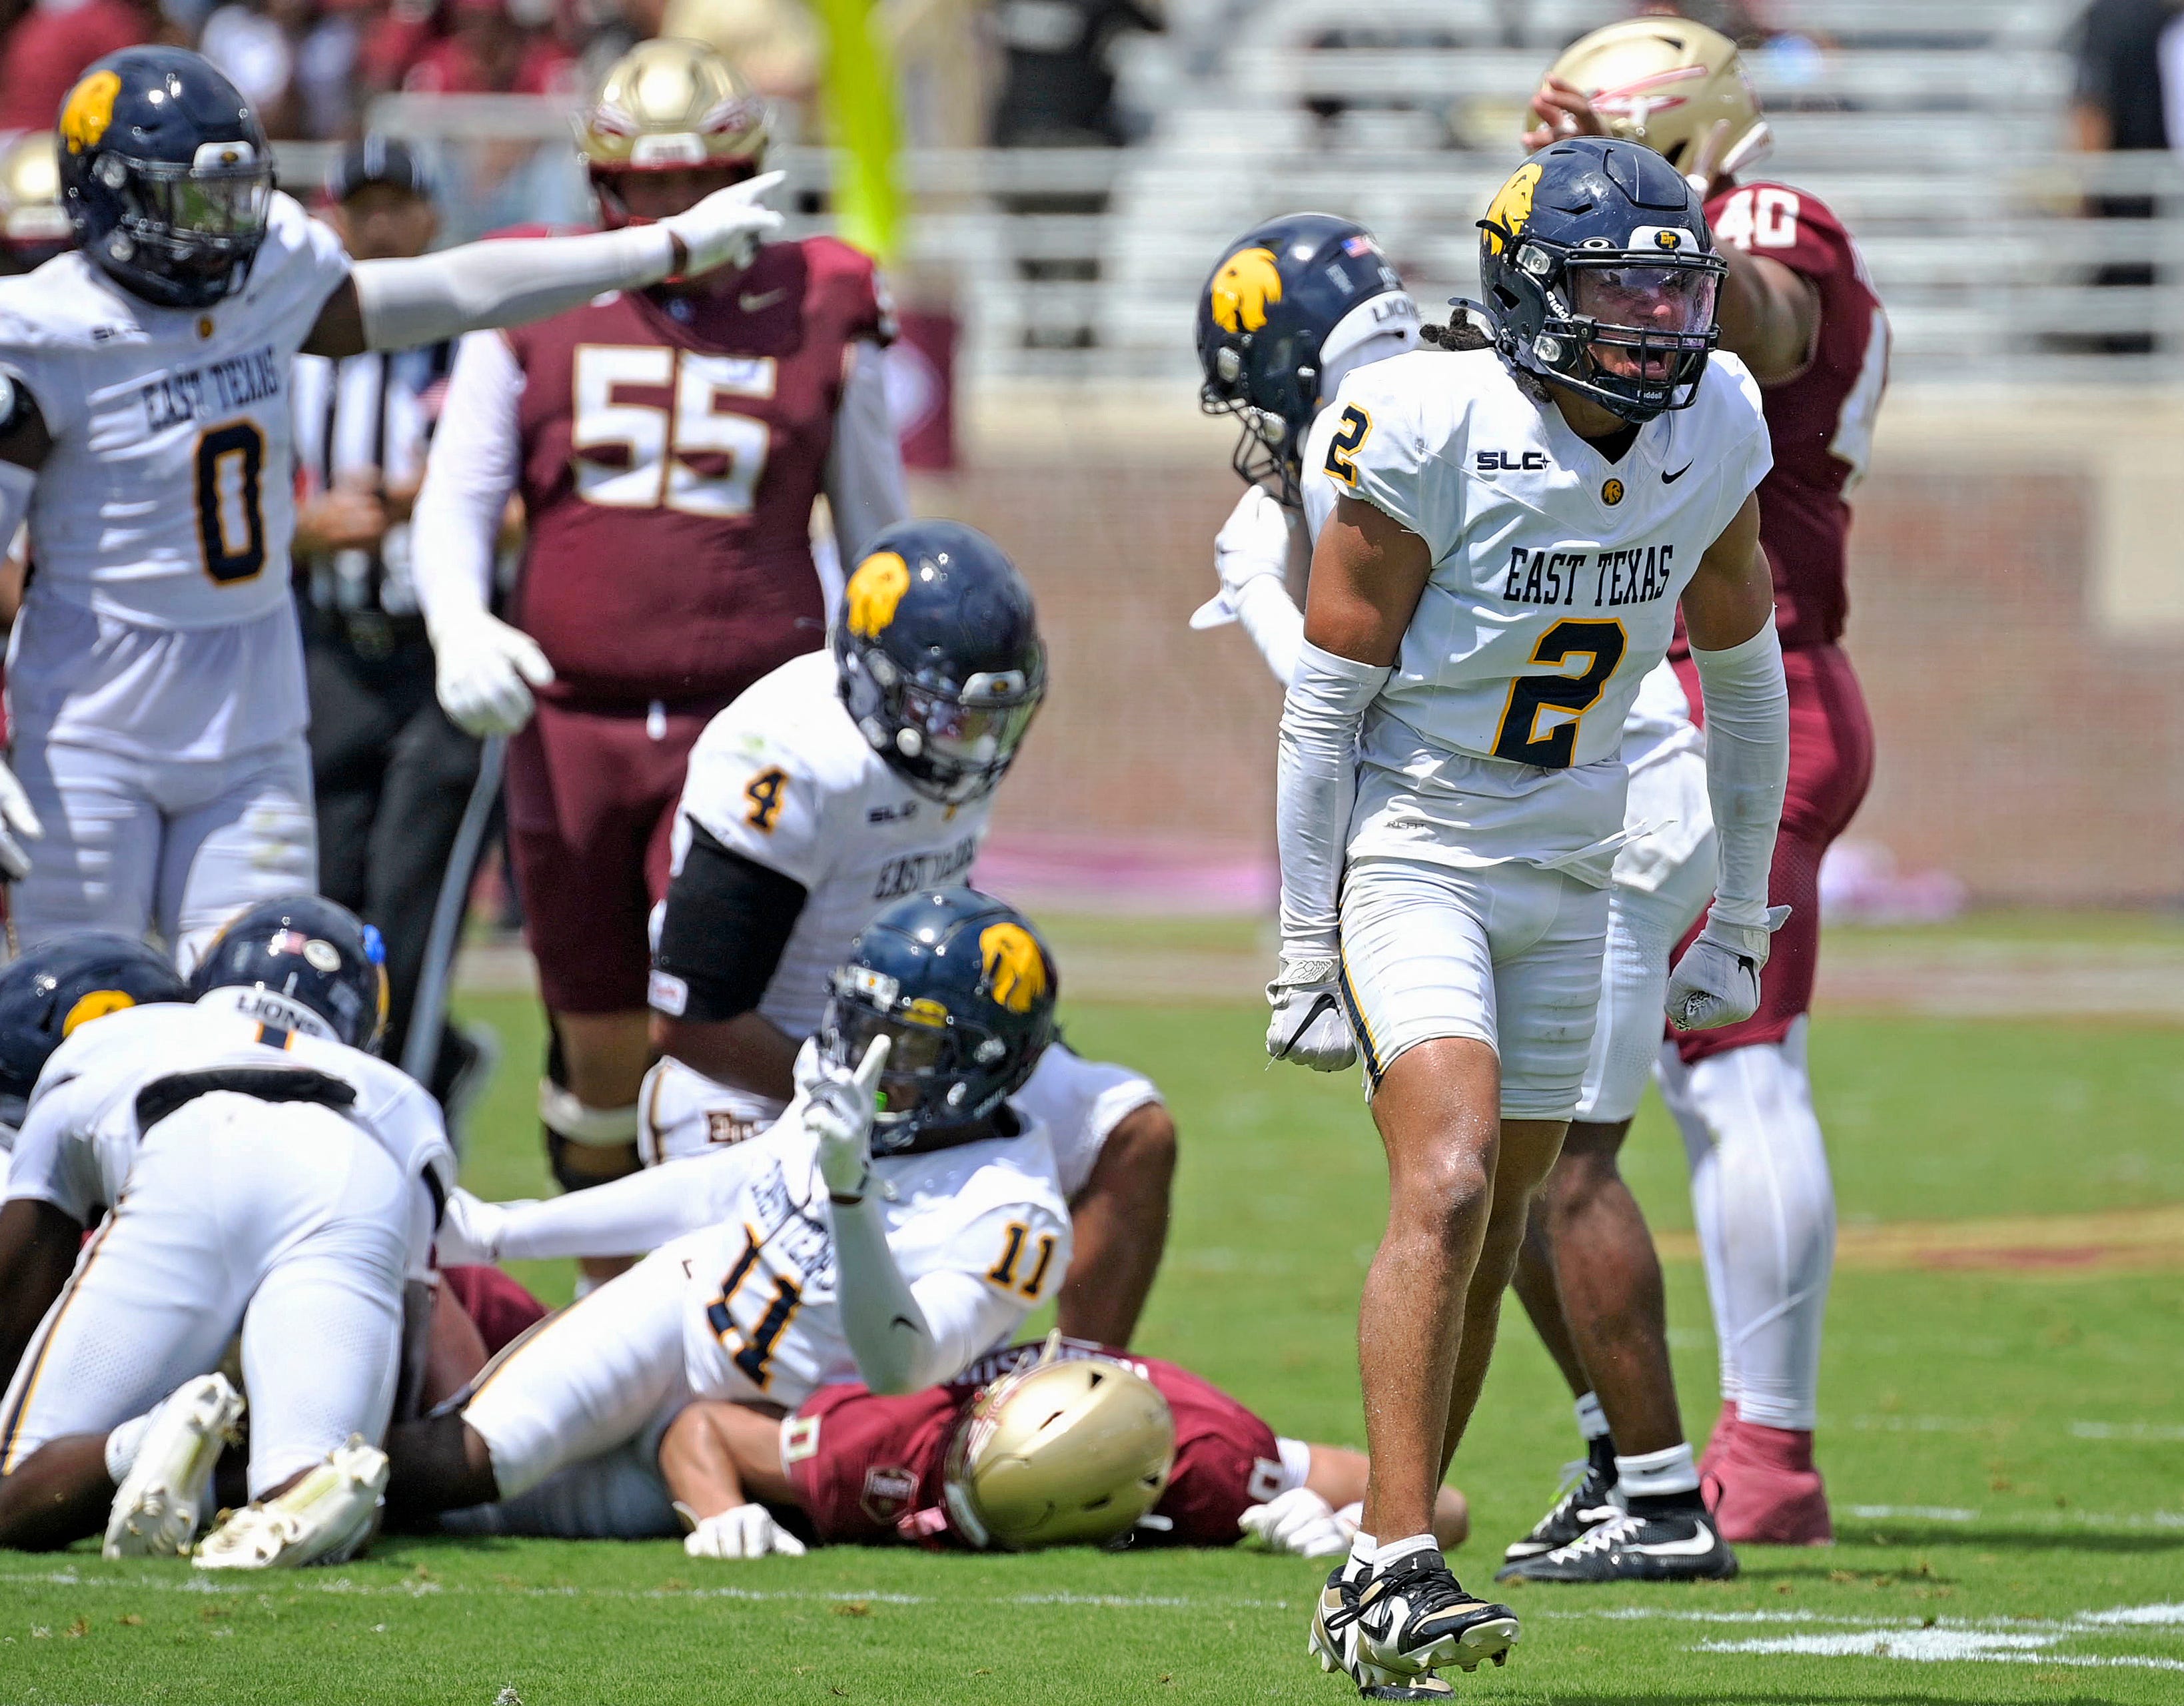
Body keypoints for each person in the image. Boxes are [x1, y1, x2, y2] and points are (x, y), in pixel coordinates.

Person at [1269, 139, 1785, 1693]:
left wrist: (1744, 907)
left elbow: (1745, 675)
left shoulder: (1716, 420)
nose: (1650, 319)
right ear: (1523, 293)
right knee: (1449, 1168)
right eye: (1614, 285)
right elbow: (1323, 704)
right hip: (1420, 846)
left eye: (1670, 284)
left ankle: (1386, 1558)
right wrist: (1303, 940)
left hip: (1580, 854)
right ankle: (1393, 1555)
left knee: (1487, 1241)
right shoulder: (1430, 422)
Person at [0, 45, 785, 967]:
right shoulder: (44, 334)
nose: (223, 228)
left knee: (254, 1017)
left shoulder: (270, 274)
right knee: (77, 1017)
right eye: (191, 201)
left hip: (254, 718)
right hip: (92, 722)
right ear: (112, 199)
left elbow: (454, 290)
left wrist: (665, 245)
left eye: (235, 193)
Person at [409, 38, 909, 1266]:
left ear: (750, 175)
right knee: (592, 1053)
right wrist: (461, 623)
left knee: (724, 1036)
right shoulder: (536, 291)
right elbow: (459, 494)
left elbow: (878, 524)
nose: (670, 215)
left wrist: (882, 683)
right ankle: (611, 1330)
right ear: (601, 190)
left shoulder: (823, 290)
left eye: (699, 183)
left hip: (751, 725)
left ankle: (736, 1322)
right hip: (572, 721)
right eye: (645, 189)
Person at [1521, 15, 1889, 1548]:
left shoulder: (1760, 223)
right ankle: (1683, 1442)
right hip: (1655, 687)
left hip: (1747, 682)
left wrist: (1645, 227)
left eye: (1585, 152)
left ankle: (1766, 1452)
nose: (1557, 183)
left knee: (1739, 1063)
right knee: (1665, 1076)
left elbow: (1773, 318)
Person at [378, 889, 1073, 1550]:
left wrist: (851, 1196)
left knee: (479, 1515)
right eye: (860, 1022)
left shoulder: (1014, 1213)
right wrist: (505, 1231)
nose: (867, 1056)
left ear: (986, 1064)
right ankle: (281, 1465)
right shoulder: (854, 1089)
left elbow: (903, 1365)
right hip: (678, 1314)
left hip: (755, 1429)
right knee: (462, 1460)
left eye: (907, 1043)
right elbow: (722, 1189)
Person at [643, 516, 1176, 1347]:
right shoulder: (788, 755)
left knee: (1129, 1129)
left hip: (911, 1064)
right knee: (792, 1368)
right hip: (755, 1078)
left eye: (992, 714)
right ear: (868, 678)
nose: (972, 741)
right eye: (942, 711)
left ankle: (1072, 1406)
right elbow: (692, 1024)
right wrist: (866, 1106)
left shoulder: (944, 741)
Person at [0, 899, 455, 1567]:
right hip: (354, 1165)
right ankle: (259, 1478)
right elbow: (412, 1342)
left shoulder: (125, 1035)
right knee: (314, 1480)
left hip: (187, 1138)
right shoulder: (400, 1094)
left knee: (15, 1486)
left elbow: (23, 1266)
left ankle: (147, 1440)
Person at [426, 1331, 1471, 1559]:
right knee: (484, 1479)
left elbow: (1444, 1502)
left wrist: (1350, 1523)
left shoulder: (1206, 1462)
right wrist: (722, 1513)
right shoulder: (897, 1439)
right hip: (723, 1346)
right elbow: (701, 1428)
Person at [293, 137, 489, 1117]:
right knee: (322, 899)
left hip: (437, 658)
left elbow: (535, 489)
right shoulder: (292, 344)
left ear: (432, 218)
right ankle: (387, 1078)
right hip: (328, 651)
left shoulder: (474, 342)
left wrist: (434, 501)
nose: (378, 225)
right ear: (333, 218)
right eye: (359, 205)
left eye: (396, 205)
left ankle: (399, 1110)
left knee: (411, 912)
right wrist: (302, 532)